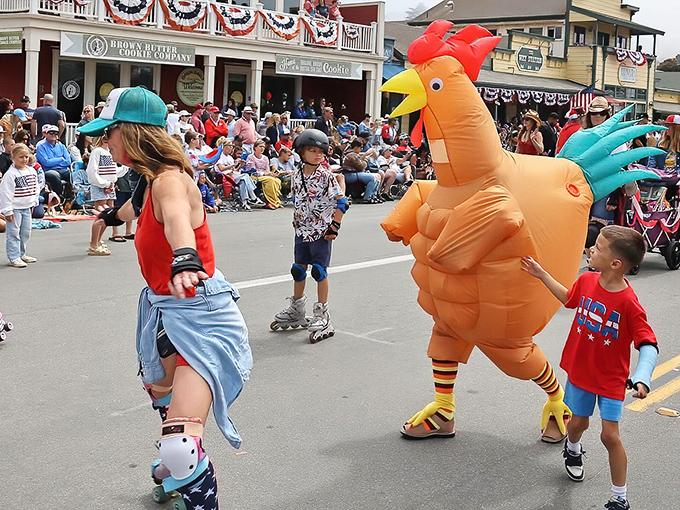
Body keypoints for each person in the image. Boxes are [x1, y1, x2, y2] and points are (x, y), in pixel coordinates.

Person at [78, 86, 252, 509]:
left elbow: (175, 216)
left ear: (133, 132)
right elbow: (132, 211)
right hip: (163, 310)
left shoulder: (171, 180)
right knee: (162, 399)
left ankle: (184, 474)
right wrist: (106, 216)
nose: (105, 142)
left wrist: (185, 254)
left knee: (179, 443)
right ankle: (176, 473)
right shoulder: (146, 183)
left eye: (110, 132)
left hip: (202, 313)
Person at [522, 225, 658, 510]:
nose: (590, 249)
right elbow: (568, 299)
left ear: (615, 263)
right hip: (581, 372)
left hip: (610, 379)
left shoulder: (629, 303)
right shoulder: (586, 280)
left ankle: (619, 498)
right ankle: (572, 449)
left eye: (597, 247)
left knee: (610, 436)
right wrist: (540, 273)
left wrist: (642, 377)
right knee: (579, 423)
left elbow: (647, 342)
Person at [270, 129, 347, 343]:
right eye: (312, 150)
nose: (317, 154)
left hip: (321, 231)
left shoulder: (326, 176)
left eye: (320, 151)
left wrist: (335, 227)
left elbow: (342, 202)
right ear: (301, 153)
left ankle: (323, 313)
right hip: (301, 230)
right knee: (298, 269)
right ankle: (297, 307)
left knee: (320, 272)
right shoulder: (297, 175)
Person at [86, 136, 129, 252]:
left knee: (107, 216)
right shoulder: (96, 151)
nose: (106, 139)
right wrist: (104, 184)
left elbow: (114, 171)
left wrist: (126, 167)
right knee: (100, 215)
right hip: (101, 186)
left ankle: (98, 241)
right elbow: (92, 171)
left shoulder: (109, 153)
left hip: (110, 186)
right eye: (104, 137)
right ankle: (93, 244)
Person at [0, 143, 40, 267]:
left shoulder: (31, 171)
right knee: (13, 233)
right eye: (21, 157)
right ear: (13, 157)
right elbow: (5, 193)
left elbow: (35, 187)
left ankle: (22, 253)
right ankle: (14, 256)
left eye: (26, 157)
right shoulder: (10, 174)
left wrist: (34, 202)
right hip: (15, 208)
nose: (24, 160)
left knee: (25, 232)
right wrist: (7, 210)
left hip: (27, 207)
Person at [35, 124, 71, 199]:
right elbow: (46, 162)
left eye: (56, 133)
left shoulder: (61, 146)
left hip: (62, 170)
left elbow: (68, 161)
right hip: (47, 170)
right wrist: (60, 159)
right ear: (46, 134)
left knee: (72, 174)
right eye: (51, 133)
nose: (53, 135)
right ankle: (58, 197)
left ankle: (70, 197)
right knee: (54, 175)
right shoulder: (41, 146)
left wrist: (53, 162)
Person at [342, 138, 381, 203]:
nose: (361, 150)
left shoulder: (351, 154)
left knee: (377, 176)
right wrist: (366, 159)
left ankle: (373, 196)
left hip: (354, 173)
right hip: (350, 174)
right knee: (371, 178)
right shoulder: (351, 155)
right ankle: (367, 197)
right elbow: (361, 167)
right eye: (361, 148)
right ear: (356, 147)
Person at [245, 139, 280, 209]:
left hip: (265, 175)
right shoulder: (251, 157)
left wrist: (270, 174)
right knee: (270, 180)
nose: (262, 148)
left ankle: (274, 200)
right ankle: (269, 201)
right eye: (260, 146)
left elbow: (267, 170)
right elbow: (252, 171)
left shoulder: (265, 158)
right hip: (255, 176)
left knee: (277, 180)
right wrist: (264, 174)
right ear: (255, 148)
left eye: (263, 147)